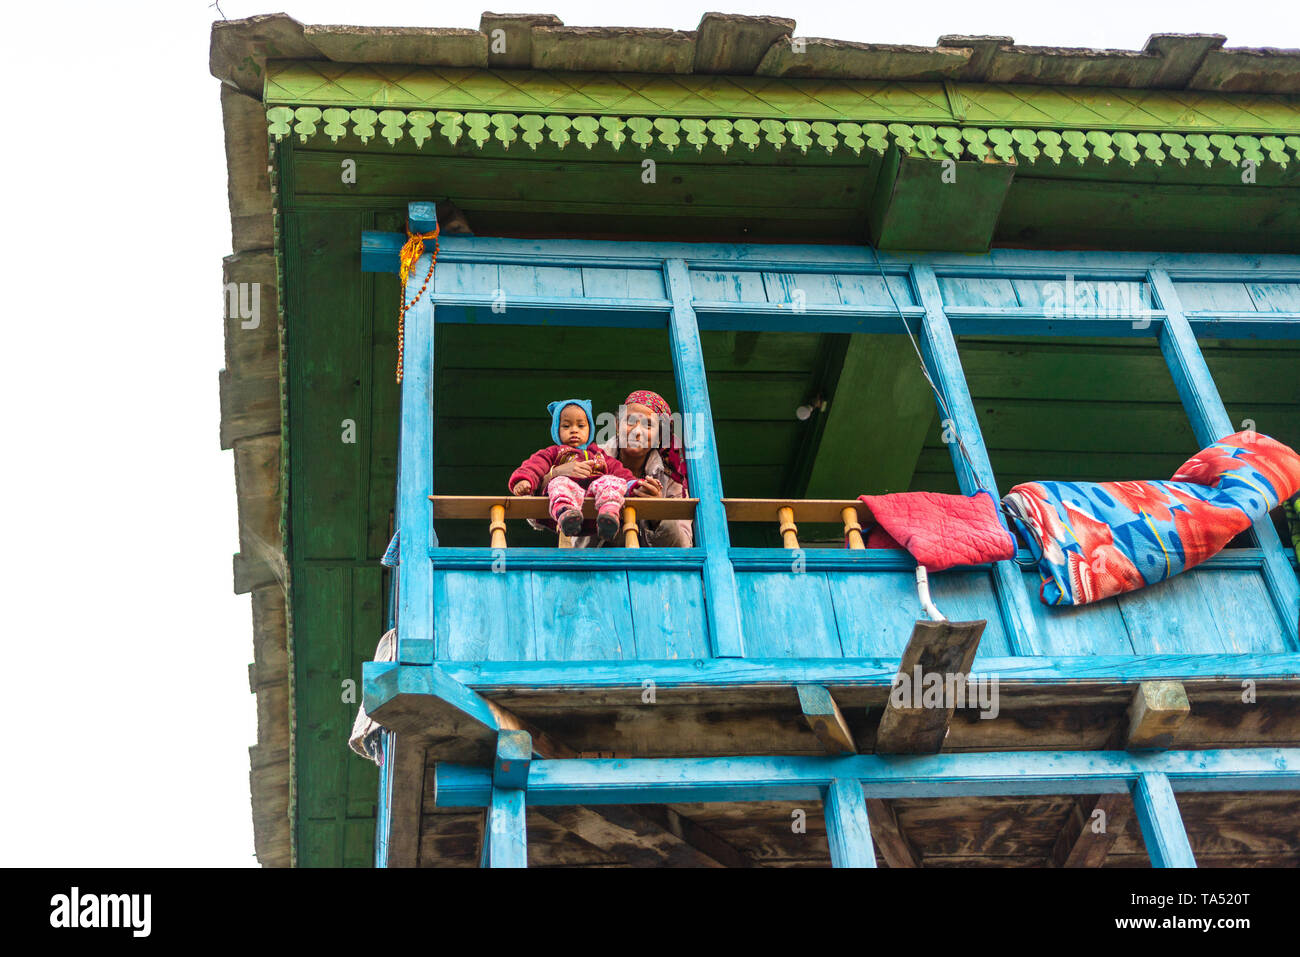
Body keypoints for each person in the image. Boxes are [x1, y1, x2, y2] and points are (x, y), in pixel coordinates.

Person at [508, 398, 642, 541]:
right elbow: (534, 466)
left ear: (589, 429)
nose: (574, 430)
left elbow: (620, 472)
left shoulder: (599, 454)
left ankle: (609, 513)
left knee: (611, 480)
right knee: (558, 482)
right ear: (556, 431)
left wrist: (636, 485)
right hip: (570, 512)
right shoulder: (553, 452)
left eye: (581, 426)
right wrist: (524, 480)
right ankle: (566, 512)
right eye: (566, 426)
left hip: (595, 508)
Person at [574, 389, 693, 548]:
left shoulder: (671, 477)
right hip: (595, 567)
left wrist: (658, 513)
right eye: (630, 421)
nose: (637, 431)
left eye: (649, 425)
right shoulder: (591, 459)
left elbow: (683, 547)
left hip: (650, 571)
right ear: (617, 425)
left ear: (660, 436)